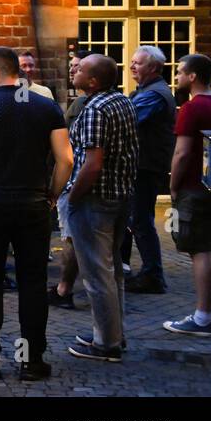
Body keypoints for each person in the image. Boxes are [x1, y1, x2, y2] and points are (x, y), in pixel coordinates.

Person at [0, 47, 72, 381]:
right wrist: (52, 194)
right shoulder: (46, 106)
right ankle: (31, 361)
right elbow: (66, 160)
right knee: (33, 283)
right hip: (33, 203)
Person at [66, 54, 139, 363]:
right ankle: (113, 333)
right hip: (121, 196)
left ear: (93, 80)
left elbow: (92, 164)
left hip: (95, 199)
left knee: (96, 273)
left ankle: (105, 344)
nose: (74, 70)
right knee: (112, 271)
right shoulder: (122, 101)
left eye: (80, 69)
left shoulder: (95, 109)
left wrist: (72, 196)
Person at [163, 54, 211, 337]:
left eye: (179, 72)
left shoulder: (191, 108)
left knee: (199, 250)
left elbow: (182, 152)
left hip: (194, 189)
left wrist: (173, 184)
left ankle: (202, 316)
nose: (176, 77)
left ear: (193, 76)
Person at [122, 46, 176, 294]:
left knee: (141, 220)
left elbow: (129, 119)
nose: (133, 66)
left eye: (138, 63)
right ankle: (147, 272)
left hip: (145, 166)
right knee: (136, 219)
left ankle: (152, 275)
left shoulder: (154, 94)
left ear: (153, 67)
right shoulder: (145, 91)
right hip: (143, 164)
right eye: (132, 62)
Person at [49, 50, 92, 310]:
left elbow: (76, 154)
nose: (72, 71)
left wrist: (68, 191)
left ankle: (65, 289)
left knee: (72, 237)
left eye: (78, 67)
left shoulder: (87, 106)